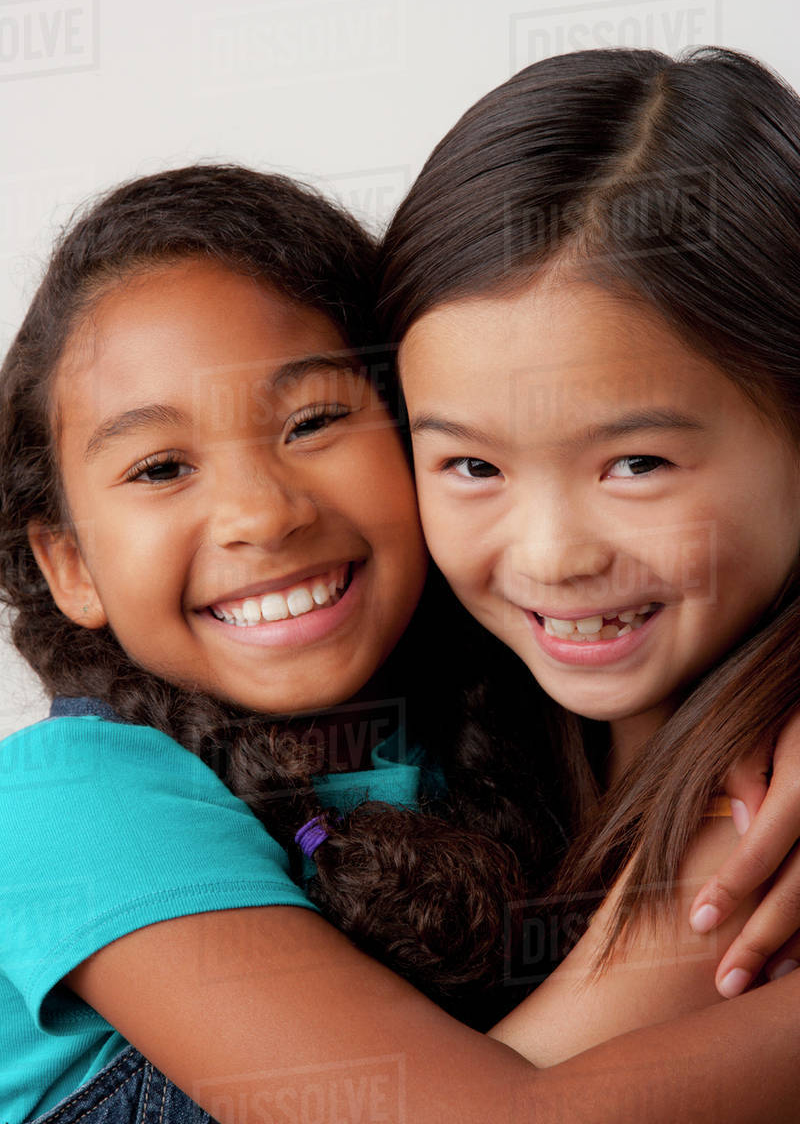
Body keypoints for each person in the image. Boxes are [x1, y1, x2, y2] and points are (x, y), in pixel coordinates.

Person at [1, 162, 799, 1124]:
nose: (262, 514)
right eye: (161, 467)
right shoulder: (70, 802)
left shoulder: (532, 693)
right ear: (68, 565)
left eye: (315, 420)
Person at [381, 44, 800, 1064]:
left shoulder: (754, 807)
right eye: (471, 467)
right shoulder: (435, 706)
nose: (553, 554)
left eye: (635, 463)